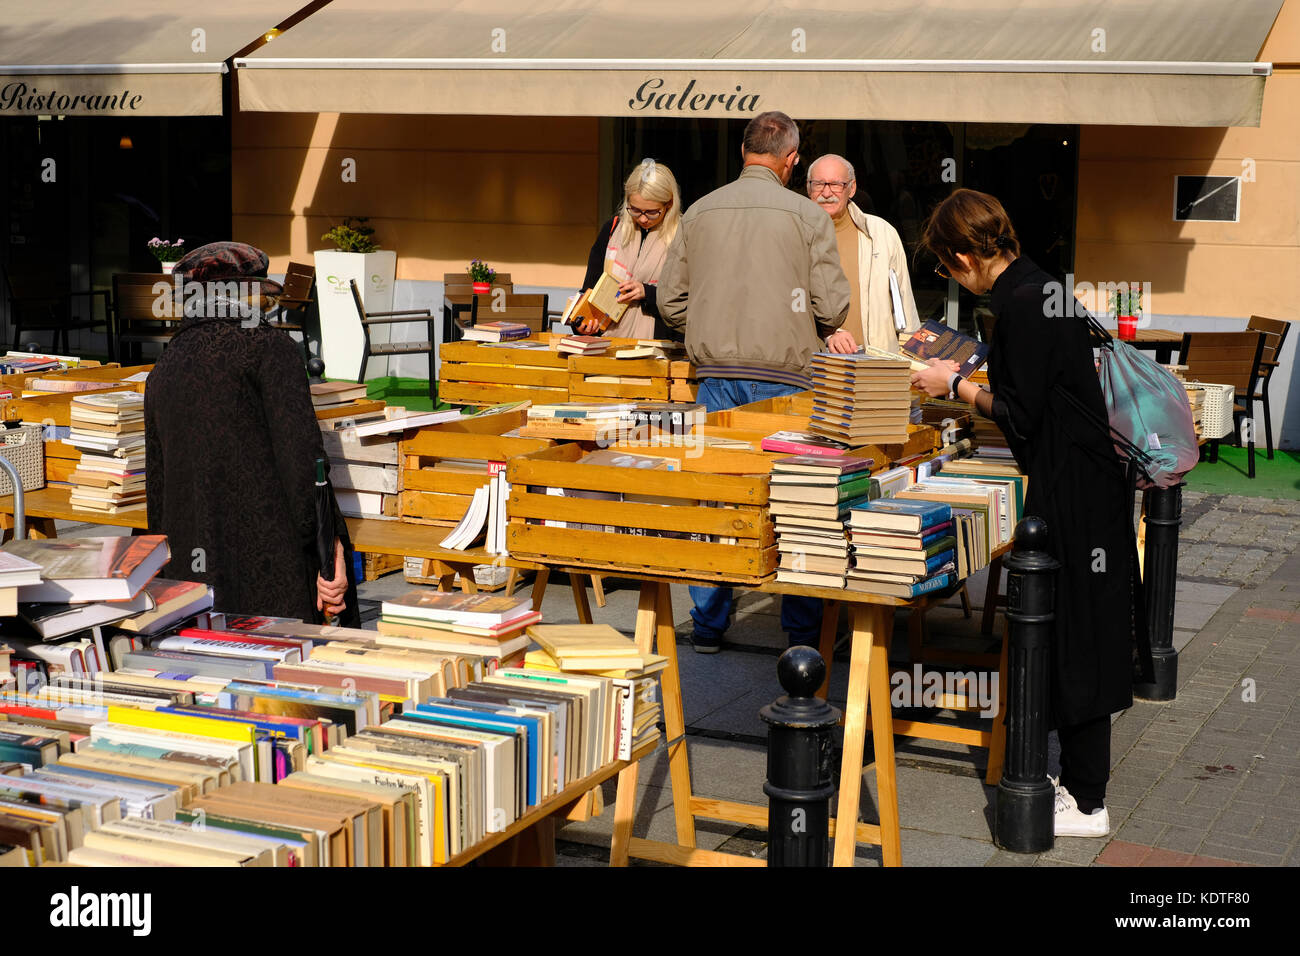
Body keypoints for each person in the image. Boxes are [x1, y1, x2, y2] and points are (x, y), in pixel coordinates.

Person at [909, 189, 1152, 838]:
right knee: (1082, 627)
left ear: (964, 256)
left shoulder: (1019, 305)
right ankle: (1078, 784)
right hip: (1091, 480)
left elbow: (1024, 416)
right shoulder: (1042, 287)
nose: (949, 275)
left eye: (944, 265)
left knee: (1075, 631)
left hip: (1073, 489)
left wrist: (954, 386)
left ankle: (1087, 800)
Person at [659, 110, 851, 653]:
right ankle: (801, 634)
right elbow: (832, 306)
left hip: (715, 378)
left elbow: (671, 300)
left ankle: (710, 625)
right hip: (786, 383)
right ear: (791, 160)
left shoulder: (699, 211)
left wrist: (711, 320)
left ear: (743, 152)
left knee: (719, 503)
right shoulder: (807, 216)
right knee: (797, 507)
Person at [144, 241, 358, 625]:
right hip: (270, 574)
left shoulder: (165, 365)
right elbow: (305, 466)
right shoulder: (270, 349)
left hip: (191, 586)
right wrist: (329, 550)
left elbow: (158, 490)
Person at [807, 153, 920, 355]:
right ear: (808, 188)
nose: (826, 192)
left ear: (852, 188)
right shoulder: (795, 234)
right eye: (818, 184)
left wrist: (914, 359)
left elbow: (904, 305)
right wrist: (829, 332)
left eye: (835, 184)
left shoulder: (881, 233)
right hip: (818, 358)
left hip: (877, 360)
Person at [575, 159, 682, 340]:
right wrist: (583, 325)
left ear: (669, 204)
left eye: (652, 212)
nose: (643, 219)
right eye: (635, 210)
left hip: (661, 348)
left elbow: (688, 299)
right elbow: (589, 290)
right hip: (608, 345)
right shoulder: (613, 229)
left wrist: (646, 293)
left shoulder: (683, 235)